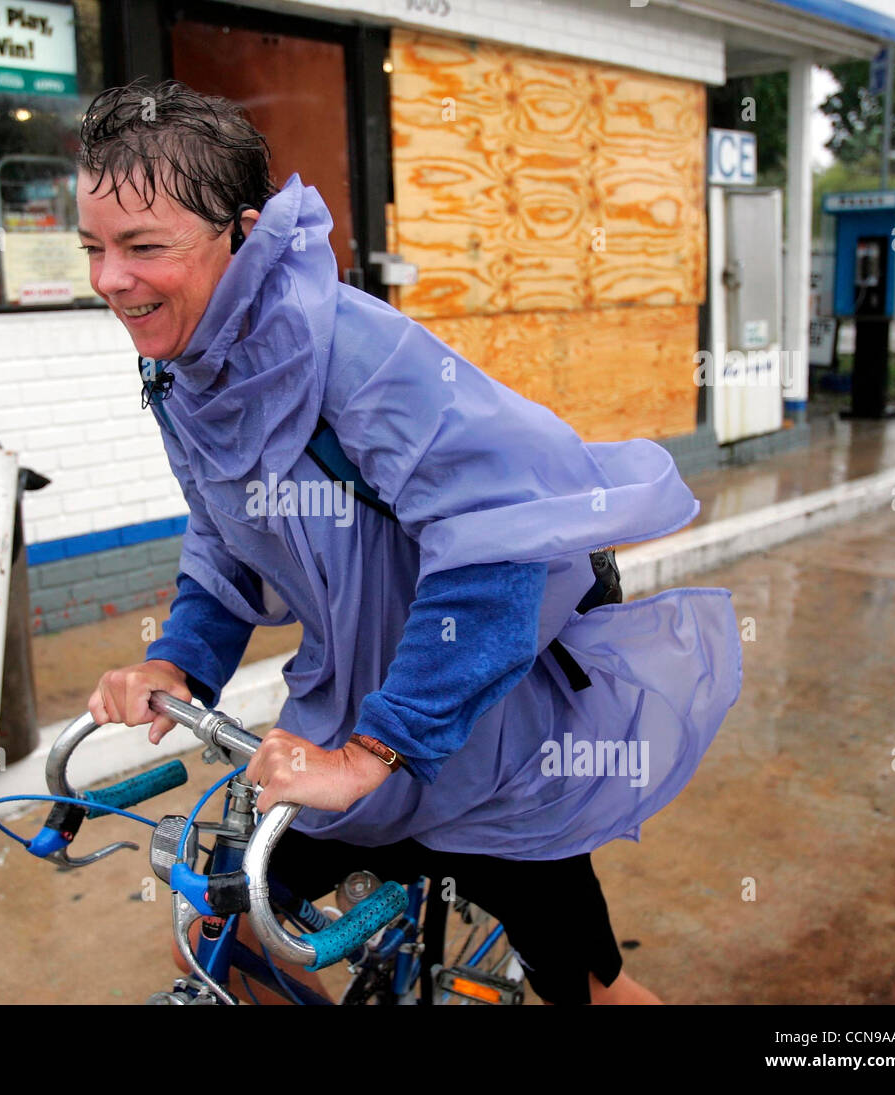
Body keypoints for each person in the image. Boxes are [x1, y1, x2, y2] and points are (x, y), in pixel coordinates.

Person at [78, 80, 743, 1005]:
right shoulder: (184, 365)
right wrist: (181, 661)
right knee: (217, 936)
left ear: (240, 231)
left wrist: (373, 752)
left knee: (587, 988)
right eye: (95, 249)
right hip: (354, 710)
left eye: (143, 247)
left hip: (485, 719)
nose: (112, 279)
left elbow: (496, 554)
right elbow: (224, 529)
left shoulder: (364, 358)